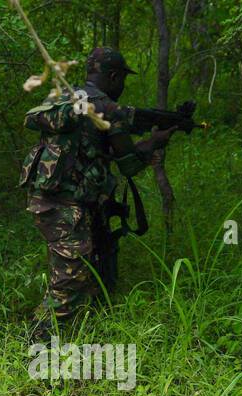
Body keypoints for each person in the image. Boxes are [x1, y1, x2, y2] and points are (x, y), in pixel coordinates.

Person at [19, 47, 176, 337]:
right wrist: (153, 141)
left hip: (66, 203)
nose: (123, 85)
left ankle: (84, 339)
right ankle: (35, 352)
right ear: (113, 76)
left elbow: (115, 156)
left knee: (92, 271)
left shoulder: (65, 98)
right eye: (122, 78)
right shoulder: (97, 106)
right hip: (64, 205)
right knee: (68, 283)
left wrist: (148, 146)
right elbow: (127, 160)